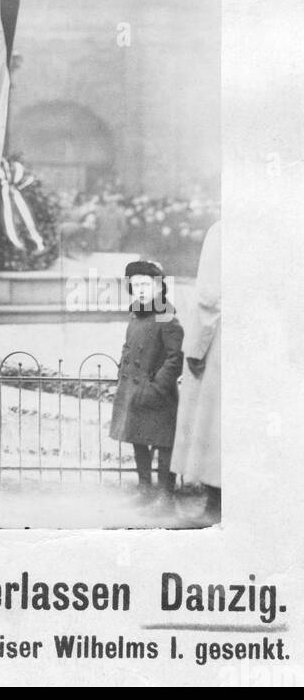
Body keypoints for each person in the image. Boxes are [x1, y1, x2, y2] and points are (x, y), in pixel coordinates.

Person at [109, 258, 184, 509]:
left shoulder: (165, 313)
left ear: (159, 286)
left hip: (156, 391)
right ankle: (144, 488)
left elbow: (175, 357)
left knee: (164, 444)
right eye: (136, 284)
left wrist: (157, 387)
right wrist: (122, 377)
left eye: (146, 284)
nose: (140, 289)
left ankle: (165, 496)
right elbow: (128, 347)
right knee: (138, 440)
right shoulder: (136, 313)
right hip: (133, 388)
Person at [171, 220, 222, 525]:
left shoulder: (222, 231)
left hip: (221, 338)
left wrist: (196, 349)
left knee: (213, 421)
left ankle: (216, 501)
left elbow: (209, 298)